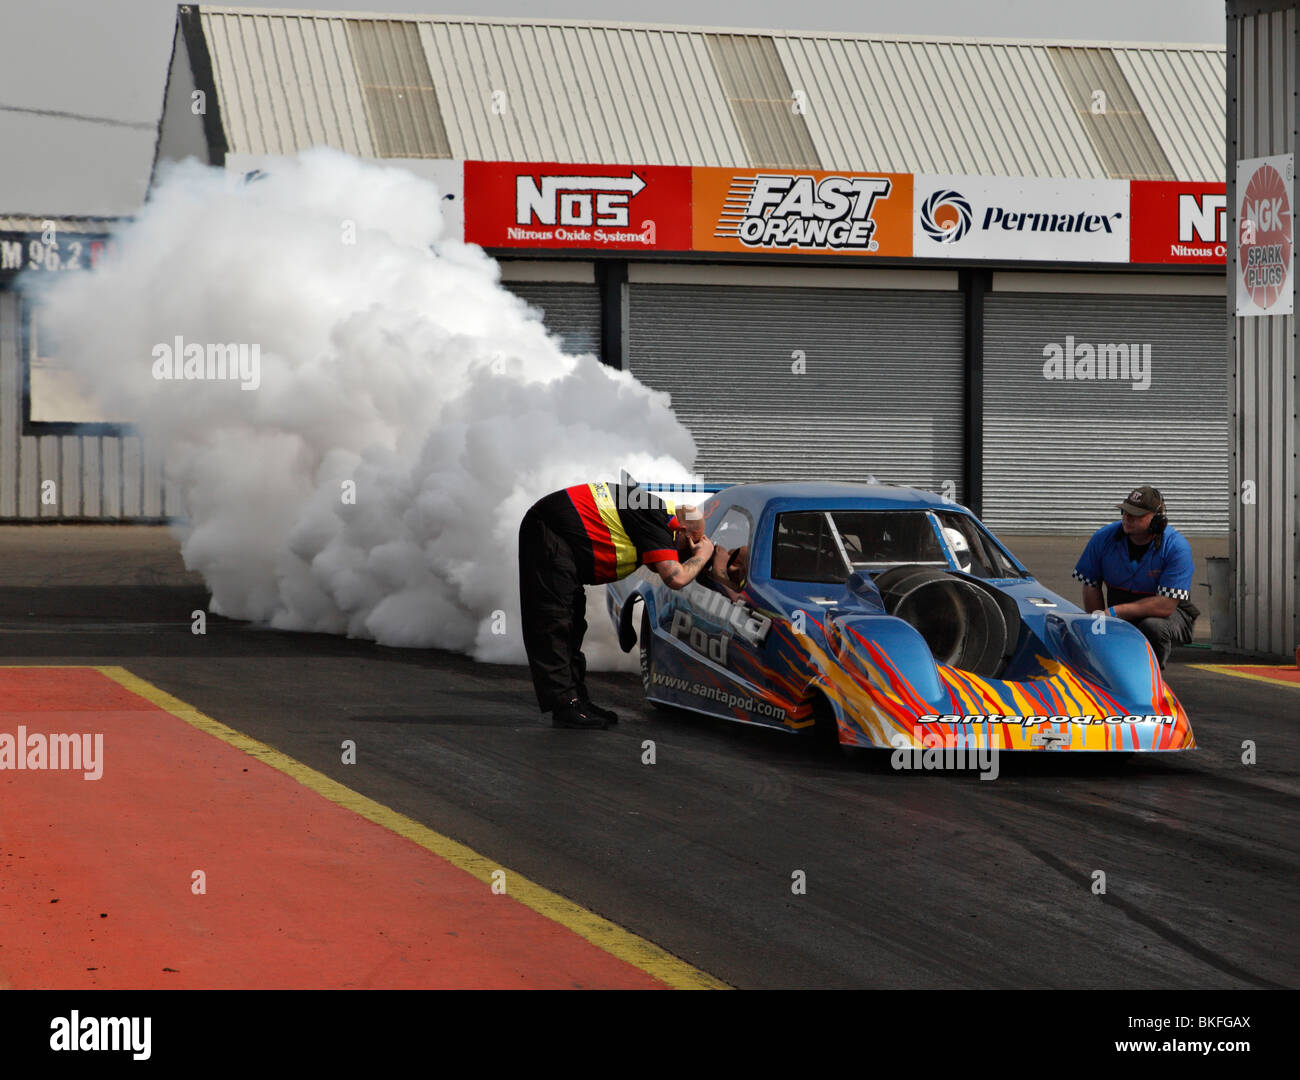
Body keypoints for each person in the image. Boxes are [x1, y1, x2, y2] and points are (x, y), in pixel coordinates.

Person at [518, 479, 713, 729]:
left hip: (559, 532)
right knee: (555, 621)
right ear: (683, 530)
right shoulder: (658, 521)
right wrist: (703, 554)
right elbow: (675, 578)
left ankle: (577, 701)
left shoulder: (655, 515)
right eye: (691, 544)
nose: (687, 553)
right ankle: (566, 706)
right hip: (548, 529)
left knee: (573, 621)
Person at [1072, 485, 1199, 668]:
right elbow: (1091, 584)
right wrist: (1099, 623)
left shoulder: (1176, 547)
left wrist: (1115, 612)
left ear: (1157, 520)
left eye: (1136, 514)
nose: (1126, 517)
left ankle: (1152, 674)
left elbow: (1166, 605)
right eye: (1125, 511)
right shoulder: (1102, 538)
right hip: (1123, 609)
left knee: (1152, 627)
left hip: (1170, 614)